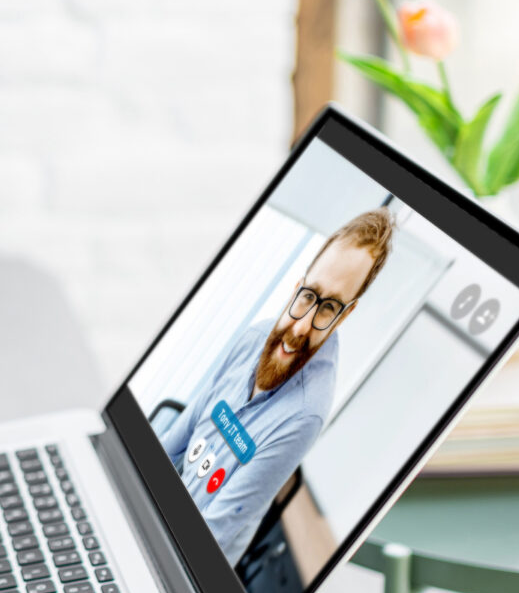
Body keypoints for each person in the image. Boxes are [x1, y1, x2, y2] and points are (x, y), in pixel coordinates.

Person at [155, 208, 396, 565]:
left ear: (346, 315)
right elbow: (181, 433)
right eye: (309, 296)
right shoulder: (255, 336)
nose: (302, 328)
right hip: (169, 509)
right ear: (298, 285)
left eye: (328, 308)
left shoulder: (305, 414)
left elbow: (212, 534)